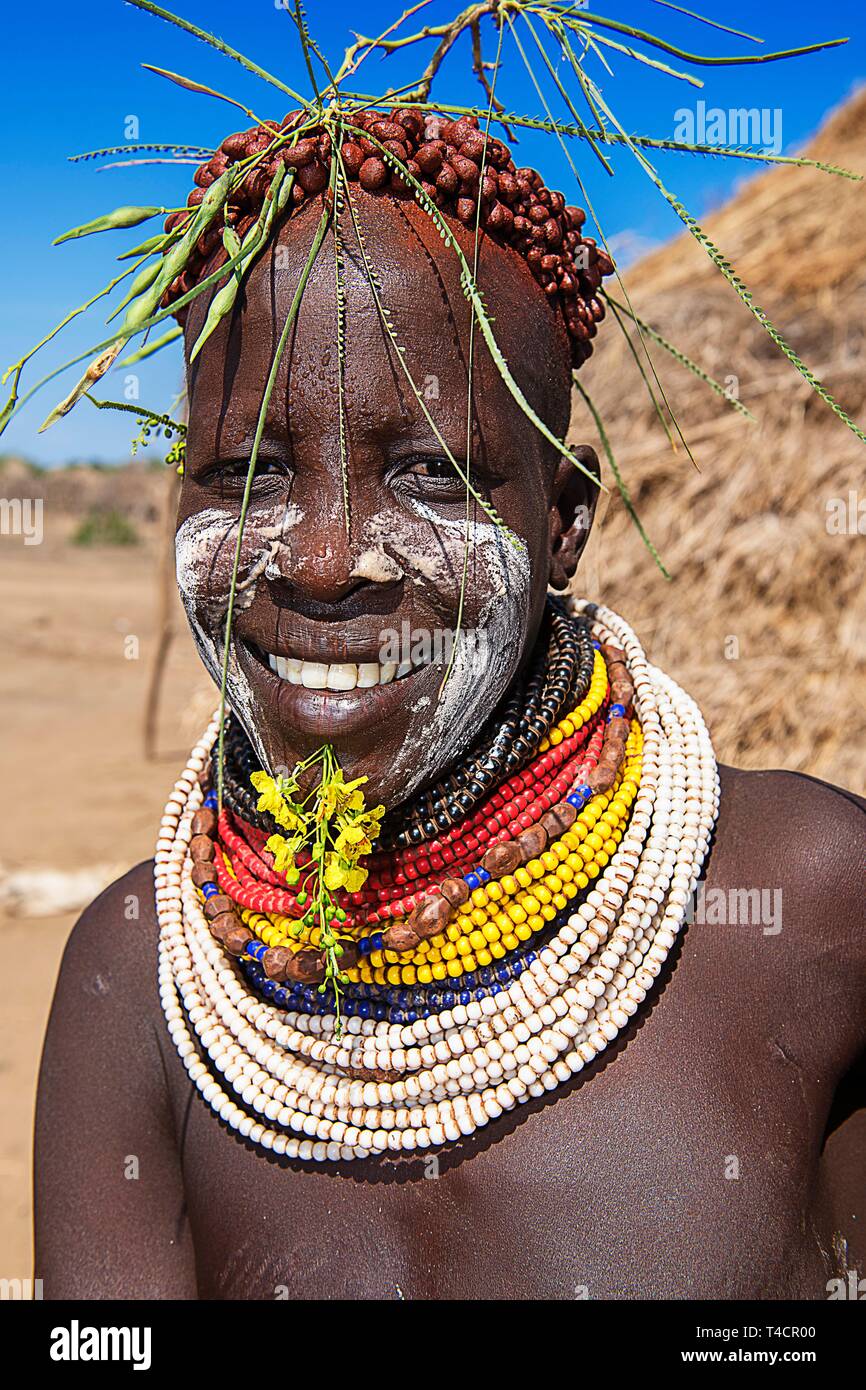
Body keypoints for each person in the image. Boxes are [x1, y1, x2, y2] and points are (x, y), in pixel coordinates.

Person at [34, 108, 865, 1300]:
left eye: (430, 472)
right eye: (246, 473)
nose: (324, 561)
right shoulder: (138, 975)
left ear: (560, 522)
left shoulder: (809, 901)